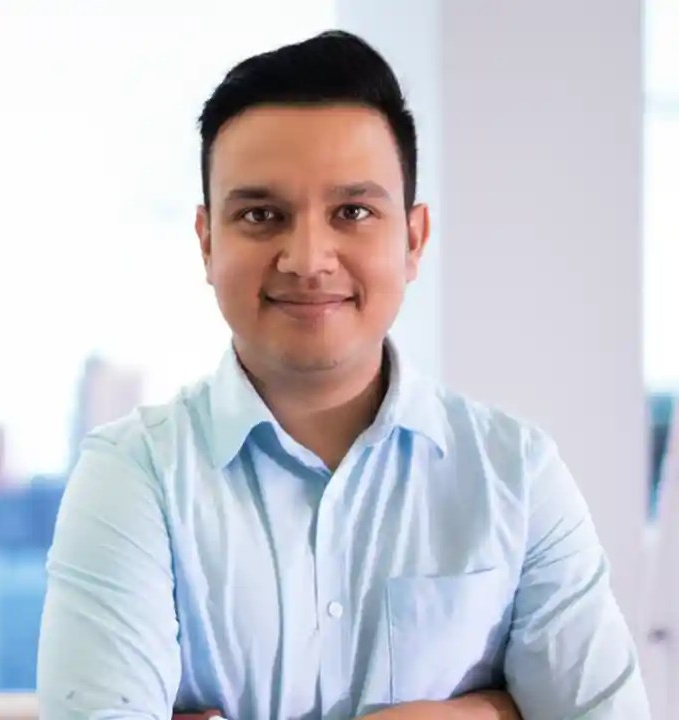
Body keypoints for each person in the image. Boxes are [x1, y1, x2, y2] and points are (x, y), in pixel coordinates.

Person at [36, 30, 649, 720]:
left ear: (413, 240)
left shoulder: (516, 474)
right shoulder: (134, 475)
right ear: (208, 242)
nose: (307, 258)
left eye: (352, 212)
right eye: (261, 215)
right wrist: (495, 712)